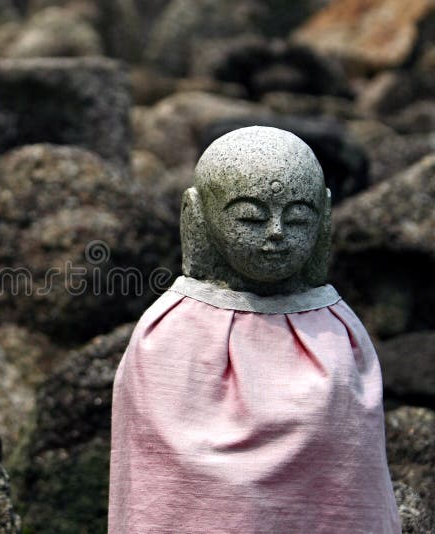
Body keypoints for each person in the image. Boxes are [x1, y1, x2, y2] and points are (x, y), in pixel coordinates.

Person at [109, 126, 400, 533]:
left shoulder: (338, 336)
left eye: (298, 218)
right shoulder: (168, 335)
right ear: (198, 215)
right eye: (250, 216)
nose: (277, 233)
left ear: (324, 217)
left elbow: (348, 481)